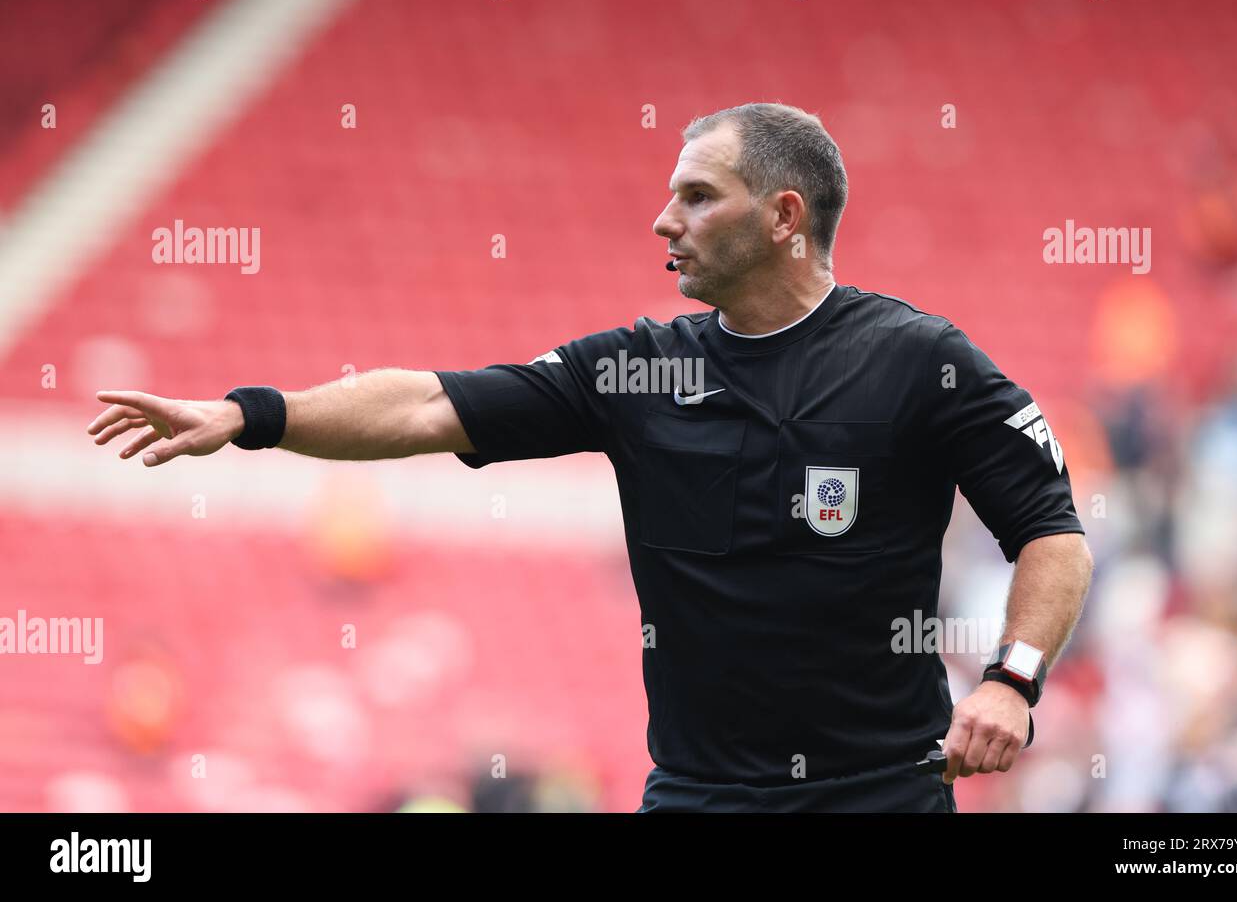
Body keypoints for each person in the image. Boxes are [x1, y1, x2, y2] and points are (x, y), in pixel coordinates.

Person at [87, 102, 1093, 812]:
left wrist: (1011, 679)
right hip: (697, 796)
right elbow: (427, 401)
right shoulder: (635, 371)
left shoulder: (919, 361)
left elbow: (1051, 530)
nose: (664, 222)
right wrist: (251, 413)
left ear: (784, 217)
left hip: (881, 793)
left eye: (698, 197)